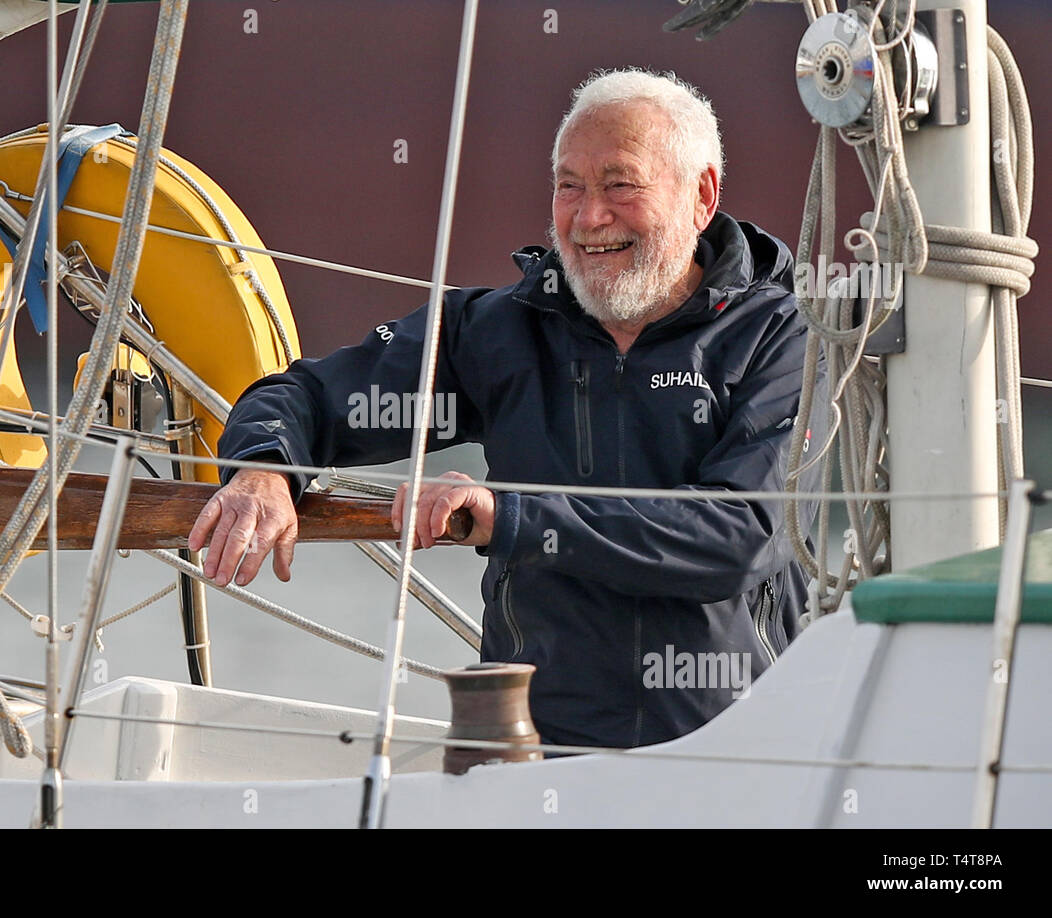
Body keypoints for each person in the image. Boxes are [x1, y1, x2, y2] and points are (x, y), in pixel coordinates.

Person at [188, 68, 826, 749]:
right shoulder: (503, 331)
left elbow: (741, 534)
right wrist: (263, 470)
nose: (588, 217)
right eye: (567, 185)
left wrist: (510, 516)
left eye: (620, 184)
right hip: (528, 760)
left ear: (701, 196)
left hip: (737, 757)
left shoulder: (785, 340)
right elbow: (305, 396)